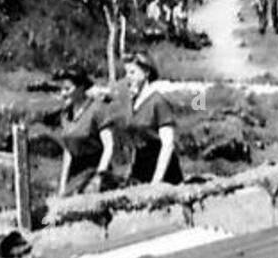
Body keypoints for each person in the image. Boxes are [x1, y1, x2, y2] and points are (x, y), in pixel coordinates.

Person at [122, 52, 183, 186]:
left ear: (146, 73)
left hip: (162, 168)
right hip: (140, 167)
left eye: (132, 73)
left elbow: (168, 145)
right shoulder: (133, 103)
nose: (128, 77)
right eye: (126, 73)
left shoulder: (158, 102)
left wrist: (156, 181)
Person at [55, 66, 118, 195]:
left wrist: (99, 177)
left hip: (94, 168)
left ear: (81, 88)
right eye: (60, 89)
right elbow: (68, 150)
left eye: (67, 89)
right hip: (75, 173)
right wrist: (62, 184)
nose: (63, 93)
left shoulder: (97, 109)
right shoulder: (65, 115)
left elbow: (109, 146)